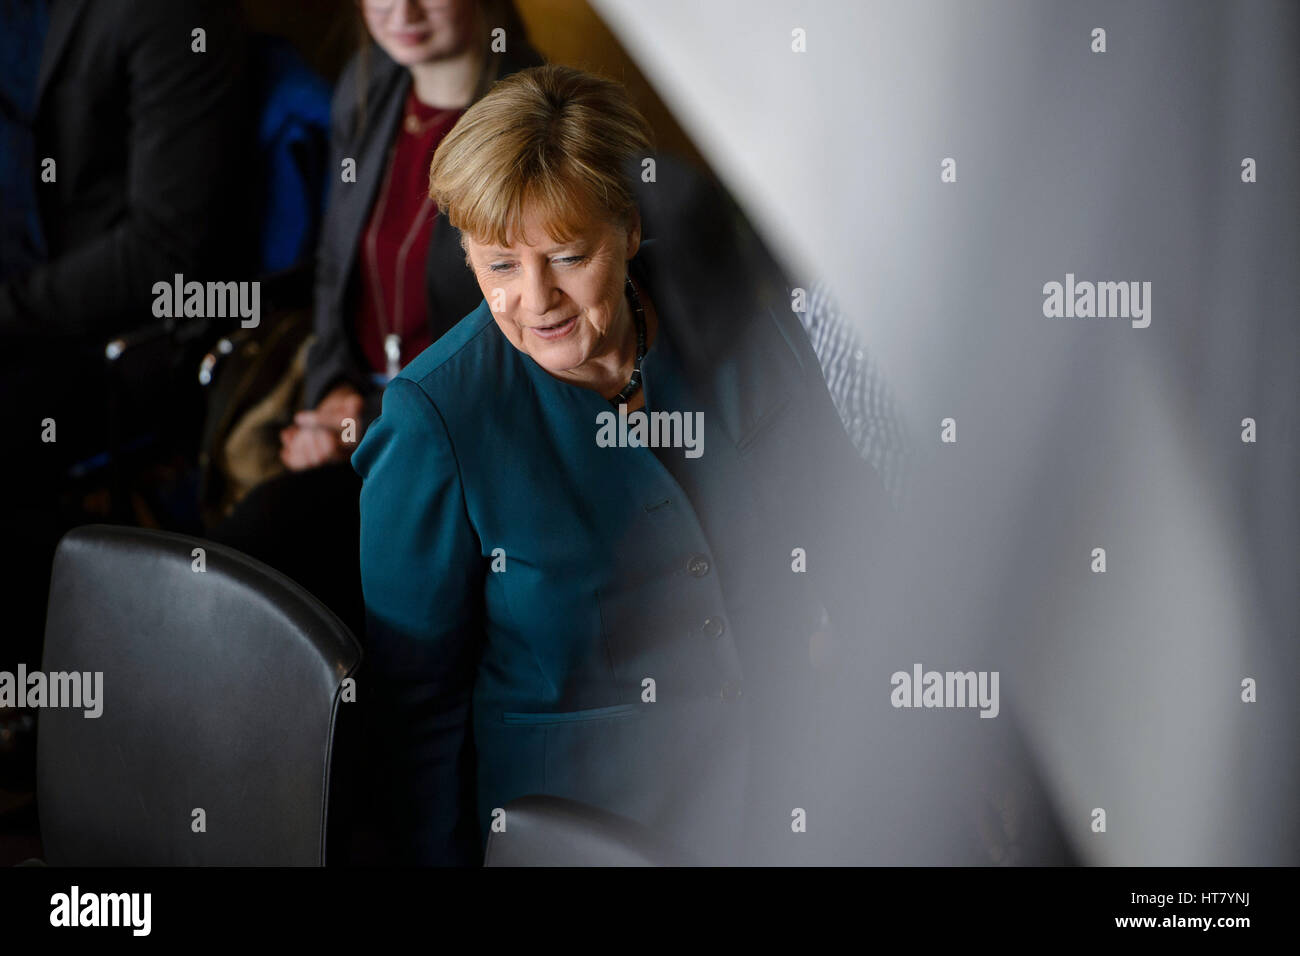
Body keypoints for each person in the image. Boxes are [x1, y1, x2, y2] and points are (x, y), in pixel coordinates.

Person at [352, 64, 890, 866]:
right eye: (500, 266)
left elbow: (857, 539)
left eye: (567, 256)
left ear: (628, 231)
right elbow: (413, 717)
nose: (538, 302)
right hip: (579, 837)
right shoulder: (435, 424)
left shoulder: (741, 321)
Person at [207, 0, 542, 639]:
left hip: (455, 432)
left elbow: (521, 329)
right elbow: (335, 269)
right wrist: (332, 393)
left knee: (260, 559)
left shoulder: (529, 115)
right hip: (353, 410)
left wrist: (380, 422)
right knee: (230, 571)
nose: (402, 10)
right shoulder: (366, 89)